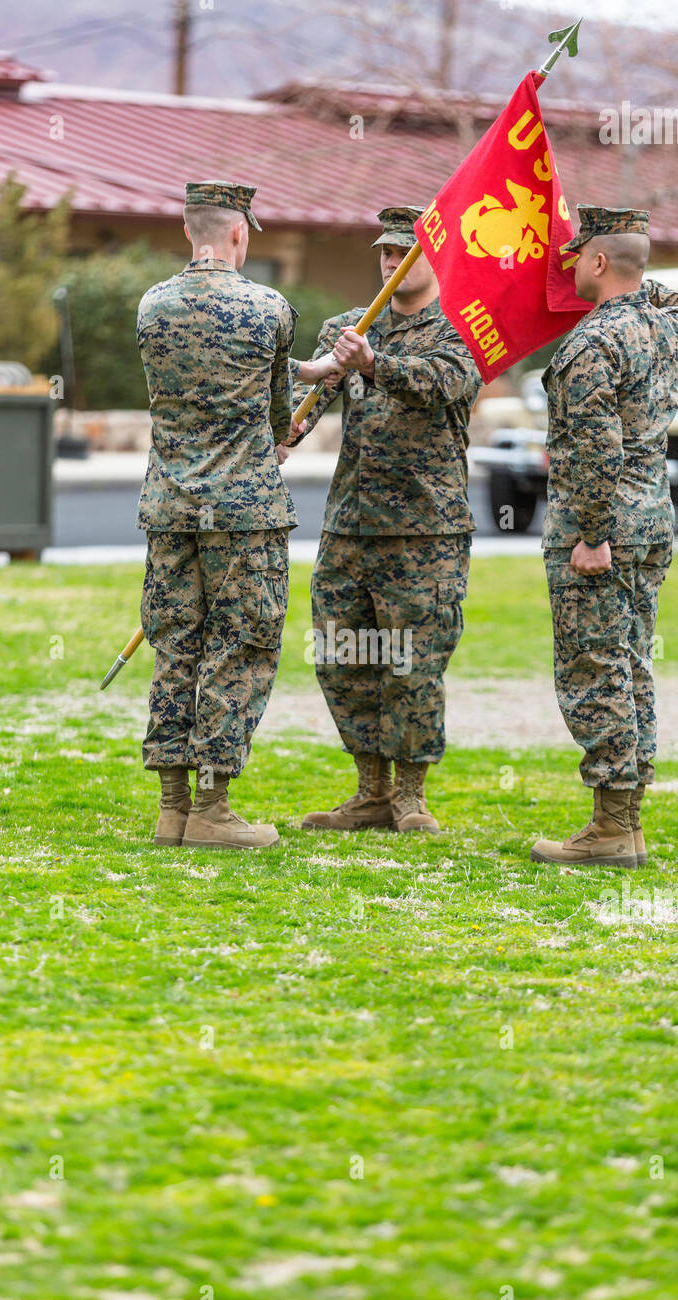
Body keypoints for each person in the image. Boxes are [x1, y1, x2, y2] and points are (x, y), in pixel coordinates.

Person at [286, 206, 481, 833]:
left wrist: (375, 365)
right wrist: (287, 421)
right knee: (343, 655)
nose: (393, 266)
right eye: (386, 256)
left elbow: (443, 385)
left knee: (414, 663)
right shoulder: (348, 328)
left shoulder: (461, 330)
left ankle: (410, 796)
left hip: (425, 530)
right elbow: (309, 401)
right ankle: (370, 790)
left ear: (434, 258)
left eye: (406, 255)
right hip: (351, 527)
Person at [531, 206, 678, 867]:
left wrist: (592, 534)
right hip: (653, 520)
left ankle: (610, 828)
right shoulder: (671, 329)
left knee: (594, 671)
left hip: (604, 529)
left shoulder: (591, 345)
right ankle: (625, 823)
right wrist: (632, 261)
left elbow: (597, 447)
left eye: (580, 255)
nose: (570, 265)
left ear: (599, 263)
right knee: (631, 665)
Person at [136, 179, 300, 850]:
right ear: (240, 234)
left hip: (170, 507)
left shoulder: (151, 307)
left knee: (176, 645)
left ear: (187, 232)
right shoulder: (269, 309)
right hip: (244, 513)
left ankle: (171, 807)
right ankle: (213, 807)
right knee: (239, 646)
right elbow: (280, 416)